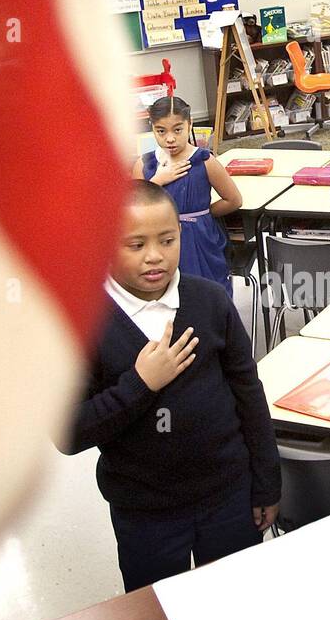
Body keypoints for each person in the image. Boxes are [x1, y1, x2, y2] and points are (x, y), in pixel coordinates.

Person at [59, 181, 281, 592]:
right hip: (146, 512)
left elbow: (249, 395)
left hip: (227, 495)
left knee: (241, 600)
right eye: (135, 244)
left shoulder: (211, 301)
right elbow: (69, 434)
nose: (155, 256)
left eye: (167, 239)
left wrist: (267, 481)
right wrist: (141, 383)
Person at [130, 95, 241, 294]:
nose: (170, 138)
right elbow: (133, 207)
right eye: (161, 131)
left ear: (190, 125)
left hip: (200, 240)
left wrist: (203, 214)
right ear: (152, 127)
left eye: (178, 129)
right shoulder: (145, 164)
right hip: (159, 242)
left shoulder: (204, 161)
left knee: (207, 294)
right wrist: (157, 181)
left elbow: (233, 200)